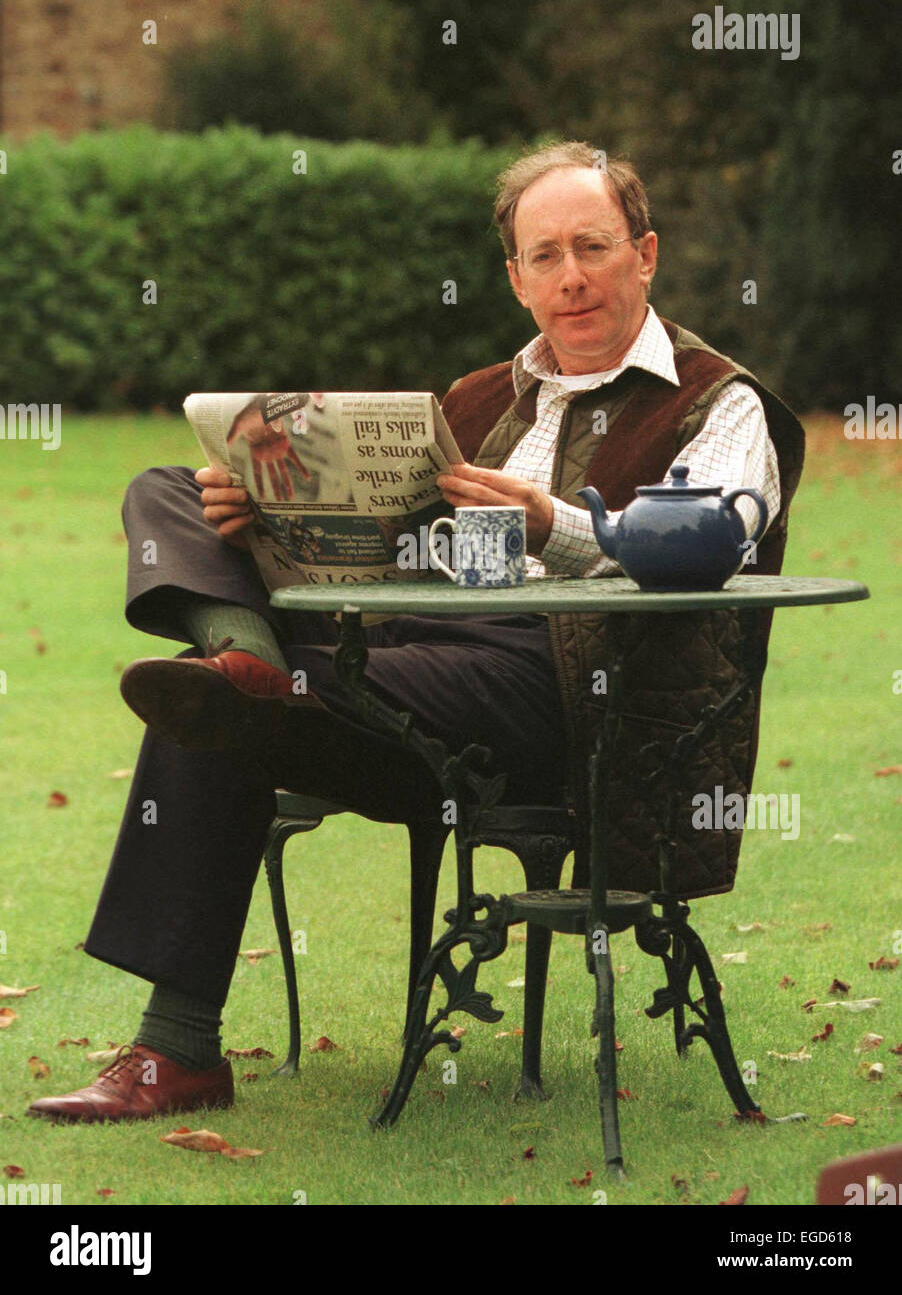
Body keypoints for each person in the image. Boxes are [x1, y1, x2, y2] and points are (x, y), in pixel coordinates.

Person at [27, 141, 804, 1123]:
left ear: (642, 254)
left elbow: (710, 532)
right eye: (545, 256)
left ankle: (176, 1038)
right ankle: (245, 662)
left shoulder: (718, 402)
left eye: (592, 247)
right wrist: (267, 515)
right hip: (402, 653)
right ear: (515, 279)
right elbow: (396, 552)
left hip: (561, 690)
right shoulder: (477, 398)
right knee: (174, 501)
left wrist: (554, 524)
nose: (570, 276)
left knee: (215, 700)